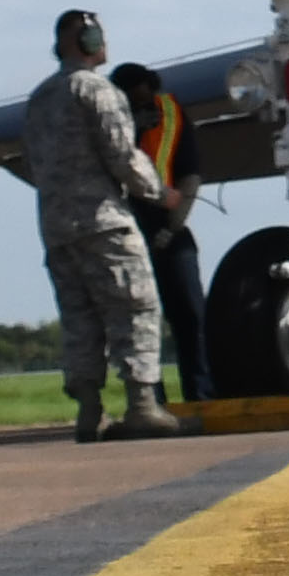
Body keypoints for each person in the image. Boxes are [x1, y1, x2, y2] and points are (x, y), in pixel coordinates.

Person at [15, 10, 187, 442]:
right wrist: (158, 192)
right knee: (135, 307)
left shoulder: (39, 100)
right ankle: (143, 406)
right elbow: (121, 155)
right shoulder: (98, 91)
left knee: (80, 318)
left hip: (57, 228)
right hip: (104, 223)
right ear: (87, 41)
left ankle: (89, 411)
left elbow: (35, 164)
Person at [110, 60, 211, 405]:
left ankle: (202, 395)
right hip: (128, 230)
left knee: (191, 317)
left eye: (145, 99)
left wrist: (173, 226)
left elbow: (190, 176)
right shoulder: (105, 124)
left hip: (170, 228)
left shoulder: (172, 113)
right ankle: (150, 402)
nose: (144, 108)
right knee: (139, 322)